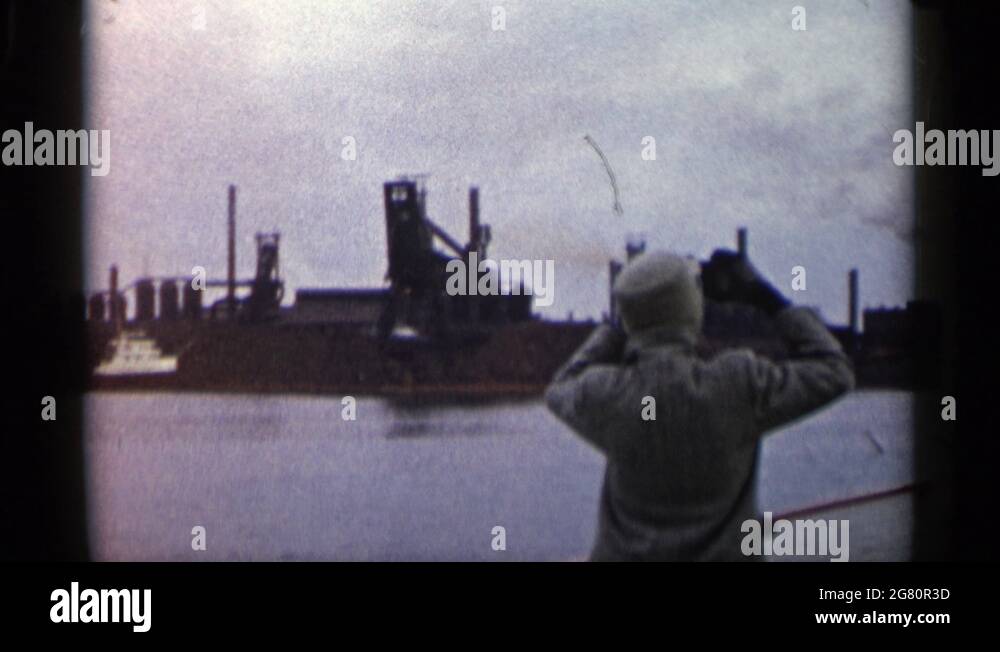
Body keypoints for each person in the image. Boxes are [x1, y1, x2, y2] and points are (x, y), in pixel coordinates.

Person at [544, 249, 855, 561]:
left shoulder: (604, 393)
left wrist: (618, 325)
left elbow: (559, 387)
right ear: (692, 307)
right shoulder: (738, 384)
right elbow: (835, 371)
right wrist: (766, 298)